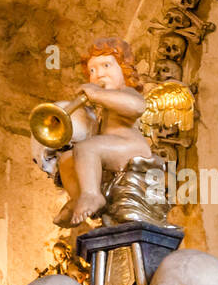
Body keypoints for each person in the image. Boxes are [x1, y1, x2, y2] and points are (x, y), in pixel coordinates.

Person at [54, 38, 155, 227]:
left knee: (87, 149)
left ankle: (92, 195)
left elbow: (137, 107)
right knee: (67, 158)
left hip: (131, 146)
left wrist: (98, 95)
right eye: (92, 71)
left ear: (124, 69)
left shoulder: (128, 92)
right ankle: (79, 197)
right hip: (110, 147)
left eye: (106, 66)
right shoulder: (104, 108)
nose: (99, 74)